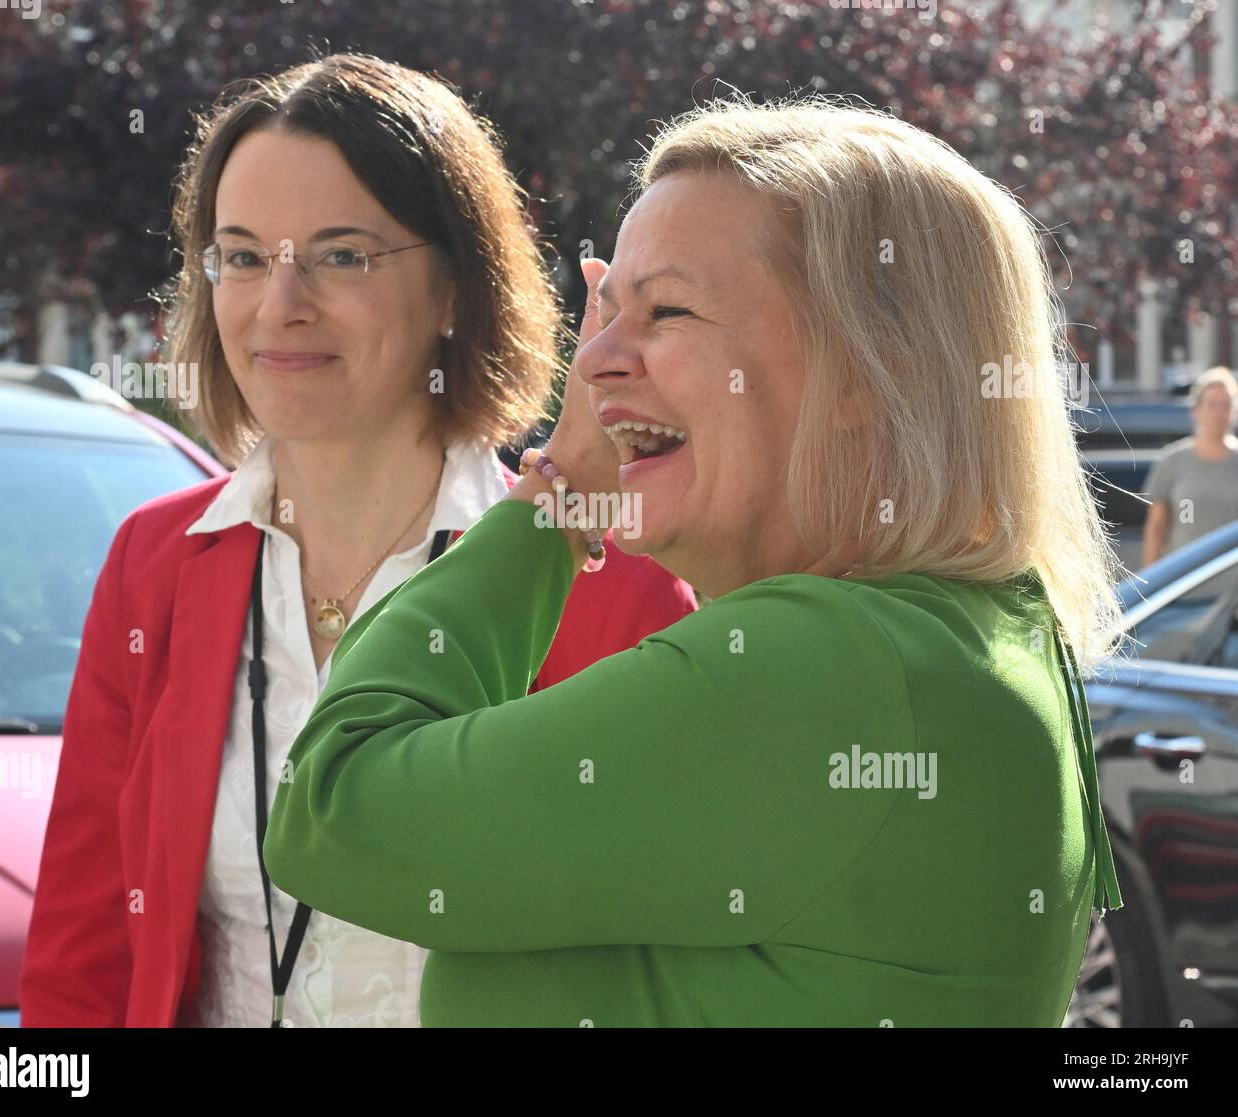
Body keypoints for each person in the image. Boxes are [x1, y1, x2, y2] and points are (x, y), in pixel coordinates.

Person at [263, 96, 1127, 1027]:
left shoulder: (825, 665)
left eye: (664, 309)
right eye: (607, 312)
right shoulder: (971, 635)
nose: (590, 364)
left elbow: (334, 807)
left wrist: (555, 503)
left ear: (868, 373)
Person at [19, 54, 696, 1029]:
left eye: (341, 255)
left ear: (456, 288)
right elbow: (80, 963)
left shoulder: (612, 587)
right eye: (243, 256)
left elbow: (661, 959)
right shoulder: (154, 563)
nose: (278, 302)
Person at [1142, 366, 1238, 566]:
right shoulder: (1172, 461)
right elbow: (1156, 530)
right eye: (1212, 405)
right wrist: (1150, 586)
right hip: (1186, 584)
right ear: (1196, 411)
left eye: (1226, 404)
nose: (1219, 413)